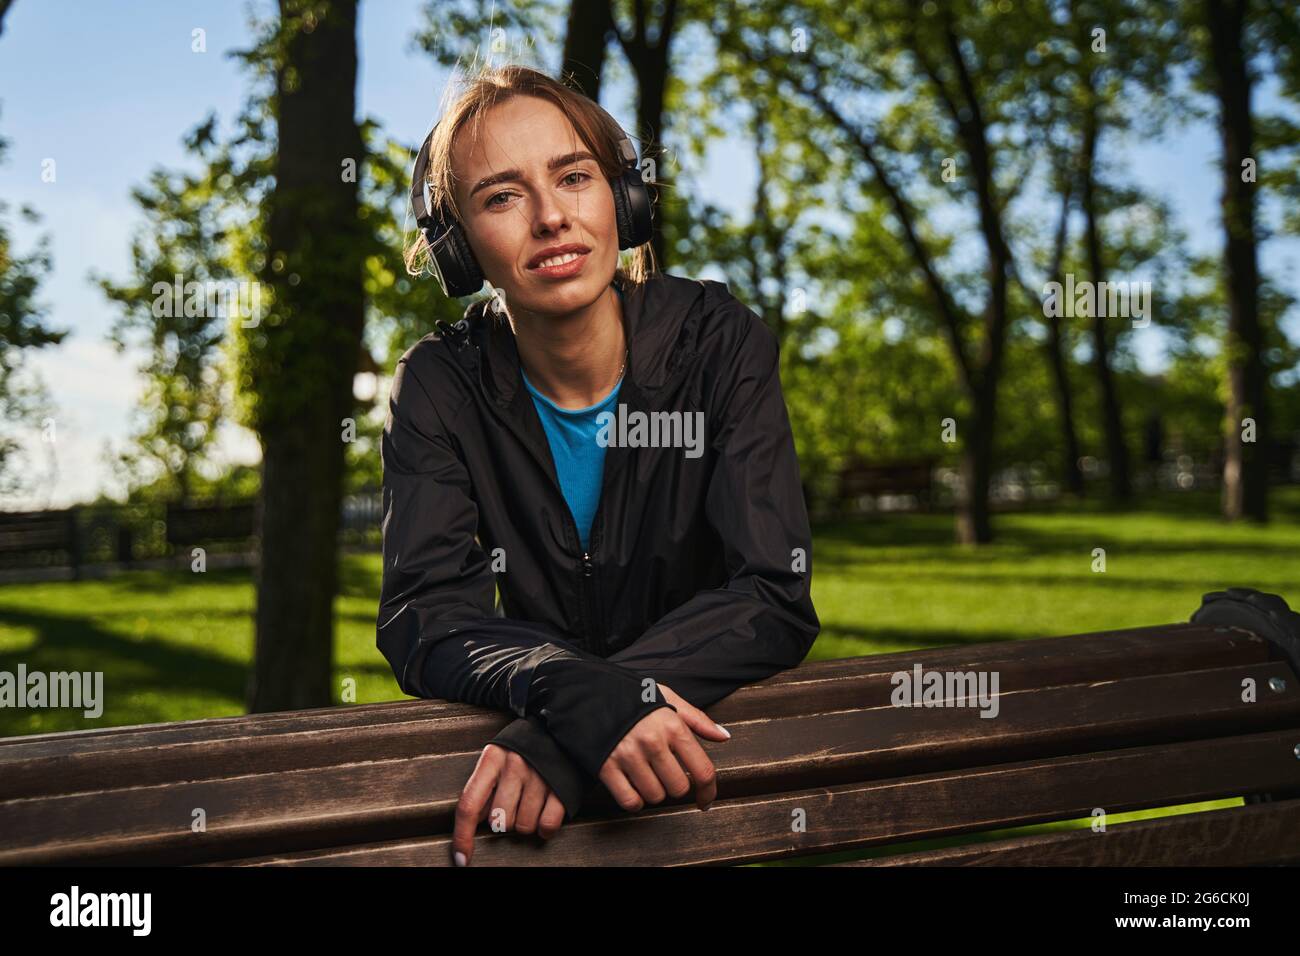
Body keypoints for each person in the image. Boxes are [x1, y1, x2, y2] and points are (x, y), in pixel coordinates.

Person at [377, 64, 819, 866]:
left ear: (624, 201)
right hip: (548, 829)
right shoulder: (437, 386)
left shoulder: (720, 344)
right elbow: (424, 614)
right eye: (502, 196)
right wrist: (576, 695)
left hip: (708, 787)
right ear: (459, 248)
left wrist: (569, 725)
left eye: (574, 177)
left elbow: (772, 592)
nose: (551, 217)